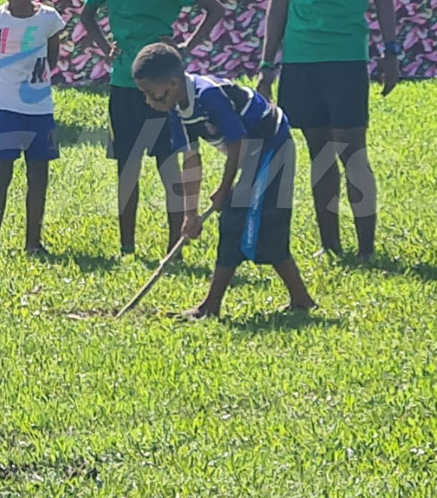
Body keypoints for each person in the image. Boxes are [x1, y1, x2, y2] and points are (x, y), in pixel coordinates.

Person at [256, 0, 399, 263]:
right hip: (301, 55)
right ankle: (330, 245)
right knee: (318, 152)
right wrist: (267, 64)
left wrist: (391, 51)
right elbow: (279, 0)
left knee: (352, 150)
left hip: (346, 51)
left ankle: (367, 248)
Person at [78, 0, 226, 256]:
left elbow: (214, 8)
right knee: (126, 167)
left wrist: (187, 46)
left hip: (164, 86)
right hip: (123, 84)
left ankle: (175, 243)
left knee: (168, 162)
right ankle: (126, 246)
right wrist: (103, 47)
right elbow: (87, 14)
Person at [133, 43, 315, 320]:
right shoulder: (176, 110)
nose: (148, 101)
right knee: (253, 222)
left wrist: (224, 188)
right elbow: (191, 161)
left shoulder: (209, 95)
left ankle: (211, 306)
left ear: (172, 82)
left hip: (271, 144)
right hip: (249, 152)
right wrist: (189, 214)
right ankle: (300, 299)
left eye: (150, 93)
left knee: (240, 221)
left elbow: (239, 144)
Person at [0, 0, 65, 255]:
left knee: (38, 176)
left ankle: (33, 242)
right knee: (0, 174)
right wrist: (0, 92)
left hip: (39, 109)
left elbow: (52, 57)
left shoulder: (49, 20)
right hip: (4, 107)